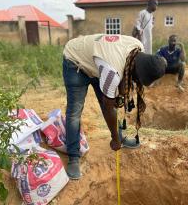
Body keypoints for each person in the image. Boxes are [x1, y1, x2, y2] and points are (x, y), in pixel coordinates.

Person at [62, 34, 167, 179]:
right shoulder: (112, 73)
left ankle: (119, 137)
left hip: (99, 61)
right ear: (137, 69)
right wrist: (114, 139)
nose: (137, 82)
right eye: (138, 78)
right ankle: (73, 157)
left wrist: (122, 89)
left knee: (110, 99)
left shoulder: (137, 47)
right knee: (74, 112)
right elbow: (108, 107)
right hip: (76, 60)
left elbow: (125, 70)